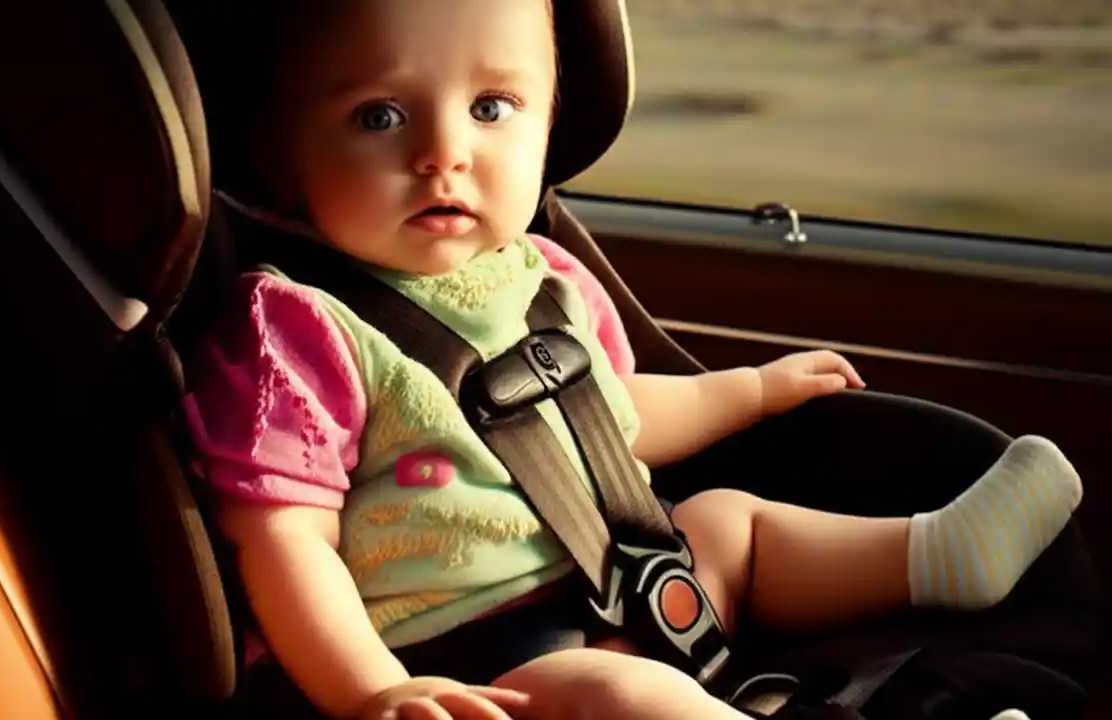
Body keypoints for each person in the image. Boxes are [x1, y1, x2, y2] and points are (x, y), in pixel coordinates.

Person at [180, 1, 1083, 718]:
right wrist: (374, 689)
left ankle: (941, 554)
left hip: (627, 582)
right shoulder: (298, 330)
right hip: (473, 660)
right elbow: (284, 538)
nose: (443, 154)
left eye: (491, 108)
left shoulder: (546, 276)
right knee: (623, 693)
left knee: (730, 525)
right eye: (379, 115)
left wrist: (751, 391)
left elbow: (612, 421)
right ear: (280, 154)